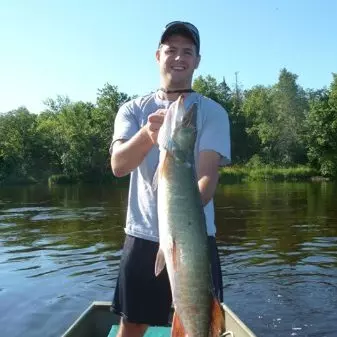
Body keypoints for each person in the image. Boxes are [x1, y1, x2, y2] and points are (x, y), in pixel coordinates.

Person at [109, 21, 231, 337]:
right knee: (133, 323)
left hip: (193, 238)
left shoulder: (213, 112)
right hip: (142, 234)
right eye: (171, 49)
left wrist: (180, 214)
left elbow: (207, 177)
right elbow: (119, 166)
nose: (179, 57)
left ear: (197, 60)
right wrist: (149, 134)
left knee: (200, 319)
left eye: (187, 51)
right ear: (158, 55)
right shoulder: (132, 110)